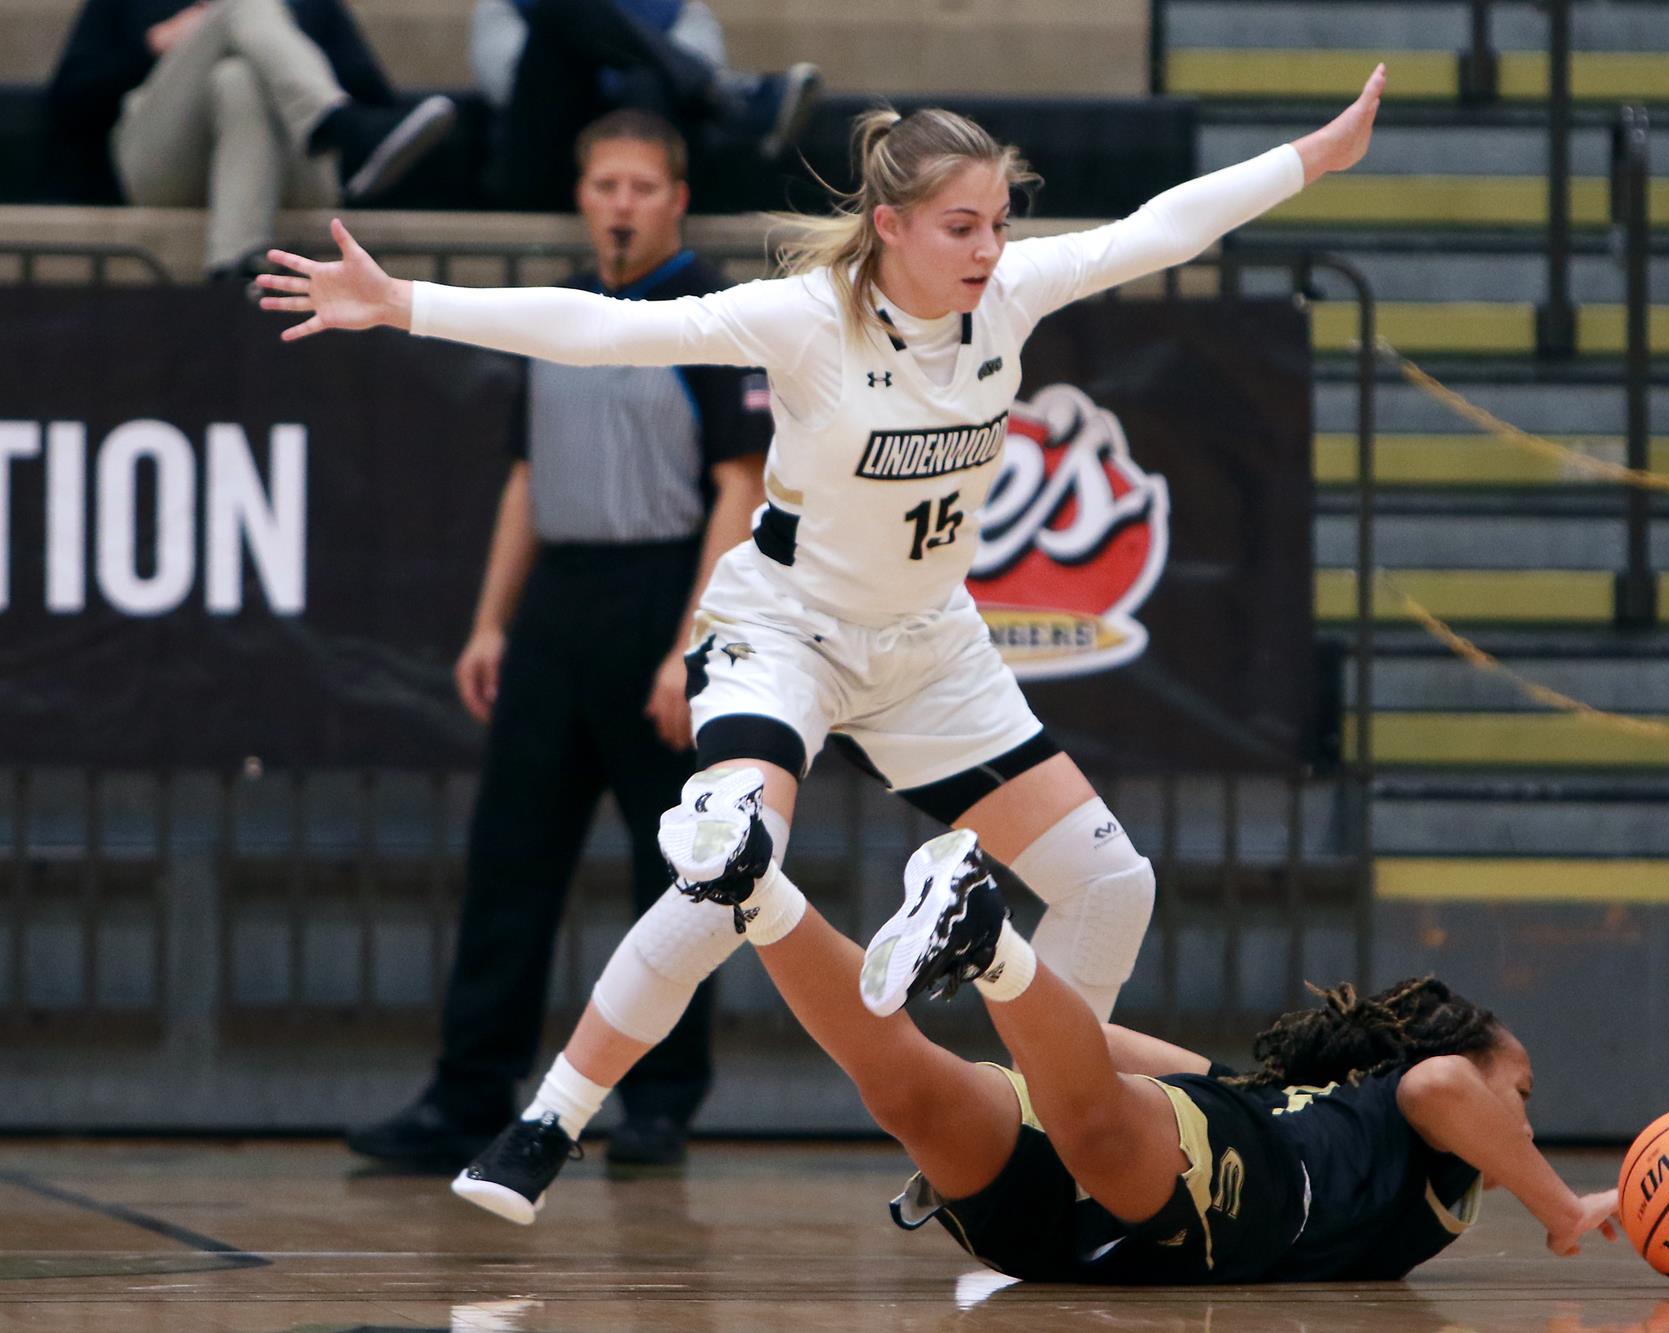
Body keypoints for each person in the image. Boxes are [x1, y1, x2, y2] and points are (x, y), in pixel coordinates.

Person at [256, 66, 1391, 1224]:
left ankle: (1022, 1127)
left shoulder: (1008, 295)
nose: (989, 247)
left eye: (999, 222)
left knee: (1111, 883)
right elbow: (607, 330)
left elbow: (1164, 226)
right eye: (960, 225)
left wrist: (1314, 156)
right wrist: (404, 302)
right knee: (724, 862)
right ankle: (549, 1118)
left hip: (929, 651)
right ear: (888, 226)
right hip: (783, 634)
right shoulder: (806, 318)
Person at [469, 791, 1621, 1279]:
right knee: (1102, 1134)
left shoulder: (1267, 1088)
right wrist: (1563, 1207)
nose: (1517, 1103)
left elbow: (1106, 1038)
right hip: (1233, 1194)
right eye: (1517, 1082)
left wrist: (1036, 1040)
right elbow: (1437, 1088)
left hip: (1062, 1250)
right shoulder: (1401, 1116)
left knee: (914, 1095)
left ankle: (755, 891)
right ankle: (990, 944)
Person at [345, 109, 771, 1171]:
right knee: (509, 861)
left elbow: (741, 485)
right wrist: (493, 619)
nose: (621, 203)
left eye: (641, 185)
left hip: (662, 592)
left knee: (675, 868)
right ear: (581, 198)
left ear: (675, 199)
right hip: (558, 607)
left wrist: (691, 644)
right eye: (604, 185)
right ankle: (464, 1094)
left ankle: (659, 1104)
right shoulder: (557, 313)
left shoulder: (713, 316)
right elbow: (527, 479)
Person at [46, 0, 458, 281]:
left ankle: (233, 272)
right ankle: (334, 123)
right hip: (164, 169)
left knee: (238, 80)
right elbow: (69, 103)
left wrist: (279, 58)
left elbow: (371, 91)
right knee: (240, 9)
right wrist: (153, 46)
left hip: (293, 170)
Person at [468, 0, 820, 210]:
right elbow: (507, 87)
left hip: (650, 153)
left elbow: (701, 62)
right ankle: (735, 104)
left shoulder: (671, 5)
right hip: (546, 162)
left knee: (652, 78)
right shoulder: (512, 4)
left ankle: (713, 96)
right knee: (564, 9)